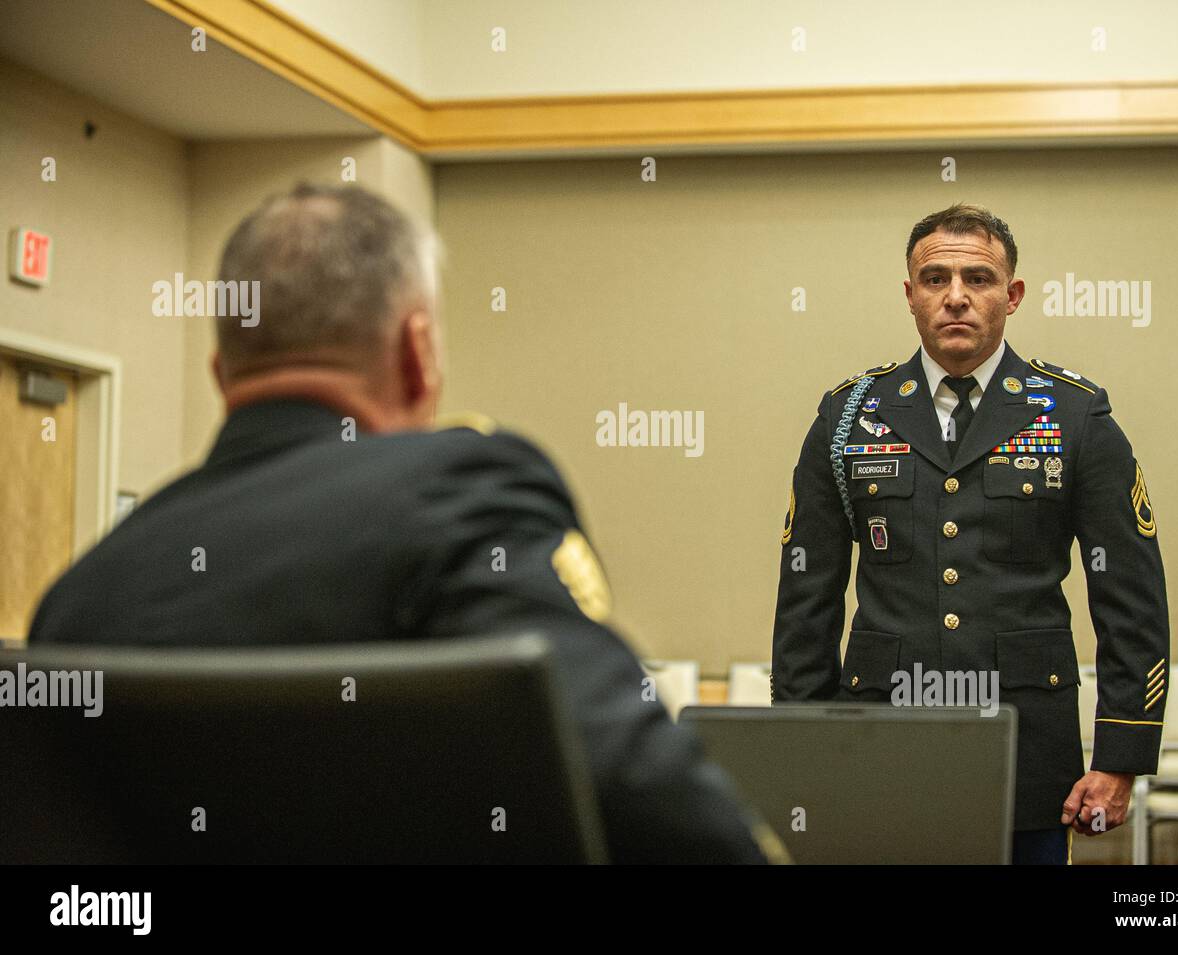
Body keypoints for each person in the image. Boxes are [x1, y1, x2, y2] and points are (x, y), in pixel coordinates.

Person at [29, 183, 780, 865]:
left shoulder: (76, 604)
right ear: (418, 355)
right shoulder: (460, 491)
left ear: (223, 375)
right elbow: (641, 794)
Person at [771, 203, 1169, 865]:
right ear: (909, 294)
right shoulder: (849, 416)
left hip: (1028, 748)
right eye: (935, 278)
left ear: (1011, 295)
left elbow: (1131, 596)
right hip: (879, 743)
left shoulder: (1073, 415)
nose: (956, 295)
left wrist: (1121, 756)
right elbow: (805, 597)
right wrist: (806, 745)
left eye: (978, 278)